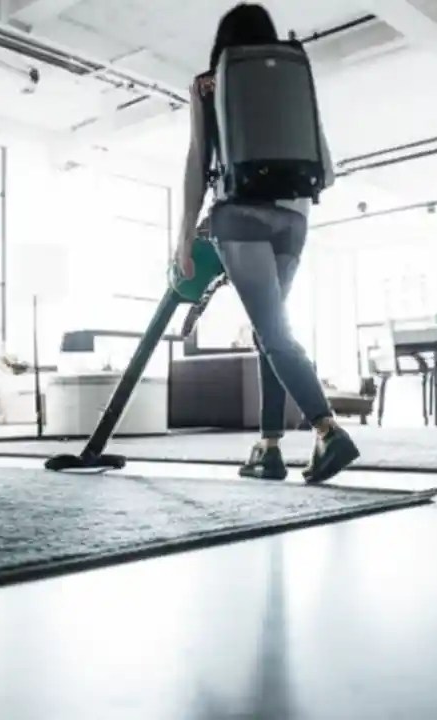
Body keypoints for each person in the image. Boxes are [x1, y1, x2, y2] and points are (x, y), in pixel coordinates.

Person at [176, 2, 359, 483]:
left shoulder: (208, 83)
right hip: (293, 224)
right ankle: (270, 446)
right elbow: (329, 172)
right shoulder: (294, 81)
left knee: (273, 333)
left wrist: (183, 234)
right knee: (270, 331)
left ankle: (327, 430)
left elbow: (199, 163)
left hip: (239, 218)